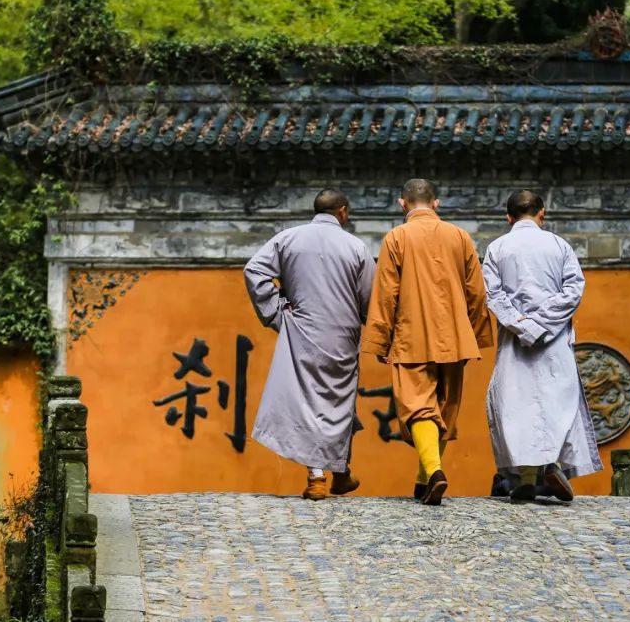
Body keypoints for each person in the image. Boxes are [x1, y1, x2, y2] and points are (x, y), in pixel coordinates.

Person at [361, 179, 492, 505]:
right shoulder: (460, 236)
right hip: (454, 336)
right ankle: (424, 480)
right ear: (436, 203)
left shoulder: (396, 238)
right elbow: (477, 292)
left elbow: (386, 293)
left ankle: (432, 471)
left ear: (401, 203)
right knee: (444, 408)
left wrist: (380, 340)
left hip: (412, 335)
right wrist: (473, 333)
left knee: (419, 406)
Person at [244, 189, 375, 501]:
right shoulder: (356, 247)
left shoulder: (288, 239)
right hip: (342, 336)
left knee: (308, 402)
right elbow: (369, 298)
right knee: (338, 402)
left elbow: (254, 270)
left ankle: (326, 475)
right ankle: (328, 474)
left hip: (302, 331)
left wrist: (277, 312)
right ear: (342, 211)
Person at [482, 190, 602, 501]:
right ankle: (551, 465)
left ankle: (526, 476)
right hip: (554, 338)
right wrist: (543, 322)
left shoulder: (497, 249)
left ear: (508, 217)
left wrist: (522, 324)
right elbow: (573, 290)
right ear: (542, 213)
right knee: (556, 402)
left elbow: (493, 295)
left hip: (514, 340)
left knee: (516, 406)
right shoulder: (559, 245)